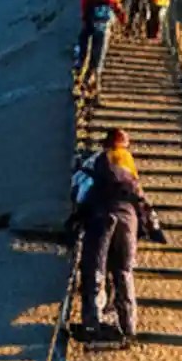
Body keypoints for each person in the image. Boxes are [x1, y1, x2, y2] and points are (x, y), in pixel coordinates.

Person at [70, 129, 159, 342]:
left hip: (101, 215)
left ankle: (92, 324)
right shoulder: (130, 171)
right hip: (128, 220)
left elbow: (80, 192)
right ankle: (128, 327)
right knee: (124, 272)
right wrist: (152, 228)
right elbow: (142, 203)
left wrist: (76, 219)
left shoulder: (96, 162)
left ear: (105, 144)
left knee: (94, 269)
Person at [76, 0, 125, 91]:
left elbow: (84, 5)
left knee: (84, 41)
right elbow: (119, 8)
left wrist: (85, 19)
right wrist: (122, 22)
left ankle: (80, 63)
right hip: (104, 26)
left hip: (91, 22)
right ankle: (95, 75)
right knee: (100, 51)